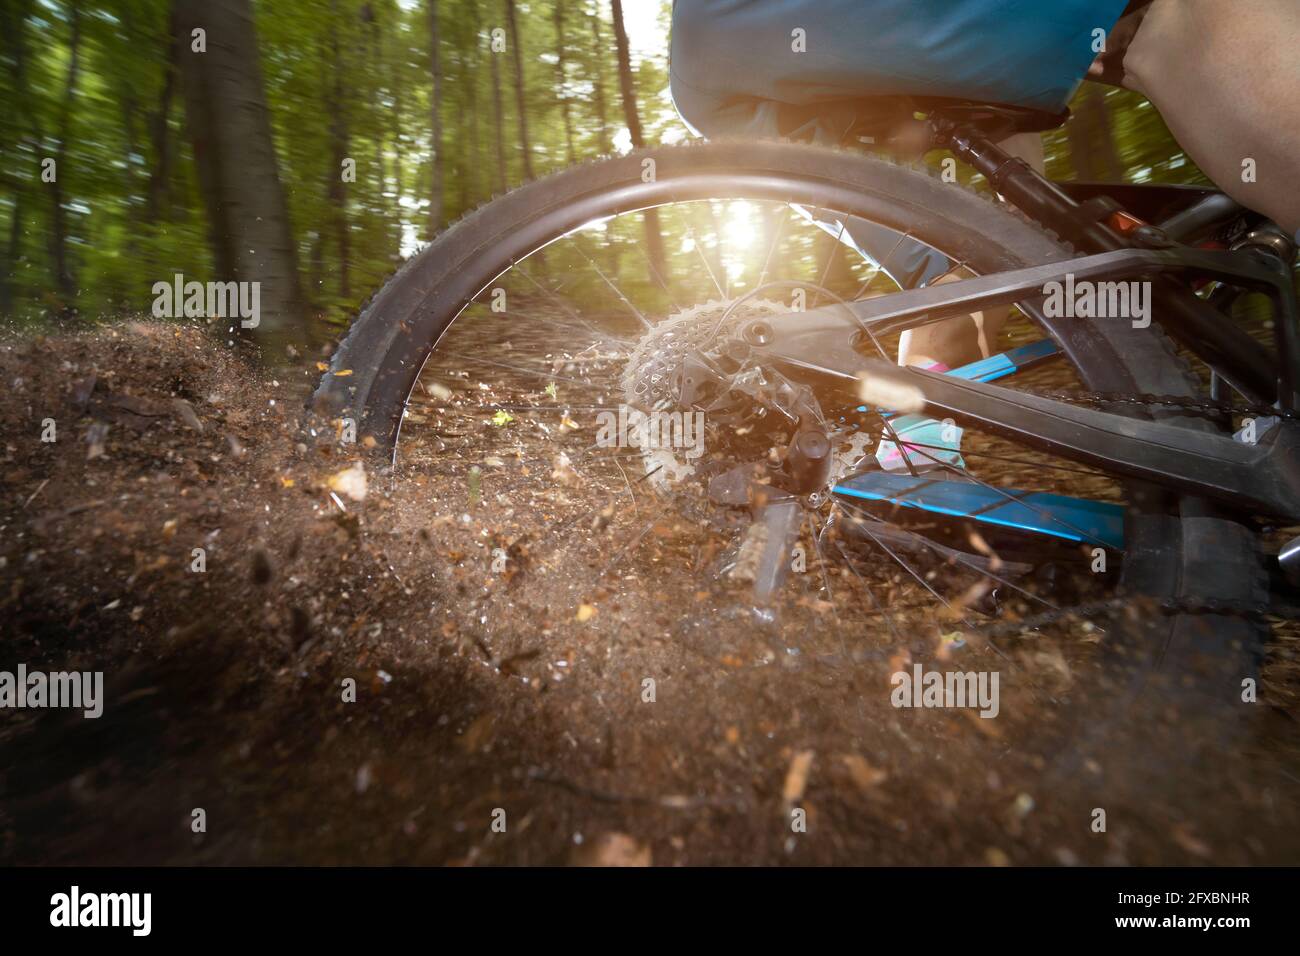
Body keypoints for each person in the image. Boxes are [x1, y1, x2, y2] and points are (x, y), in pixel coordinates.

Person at [669, 0, 1300, 375]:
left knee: (973, 263)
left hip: (742, 62)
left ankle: (915, 455)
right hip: (788, 27)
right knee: (1188, 16)